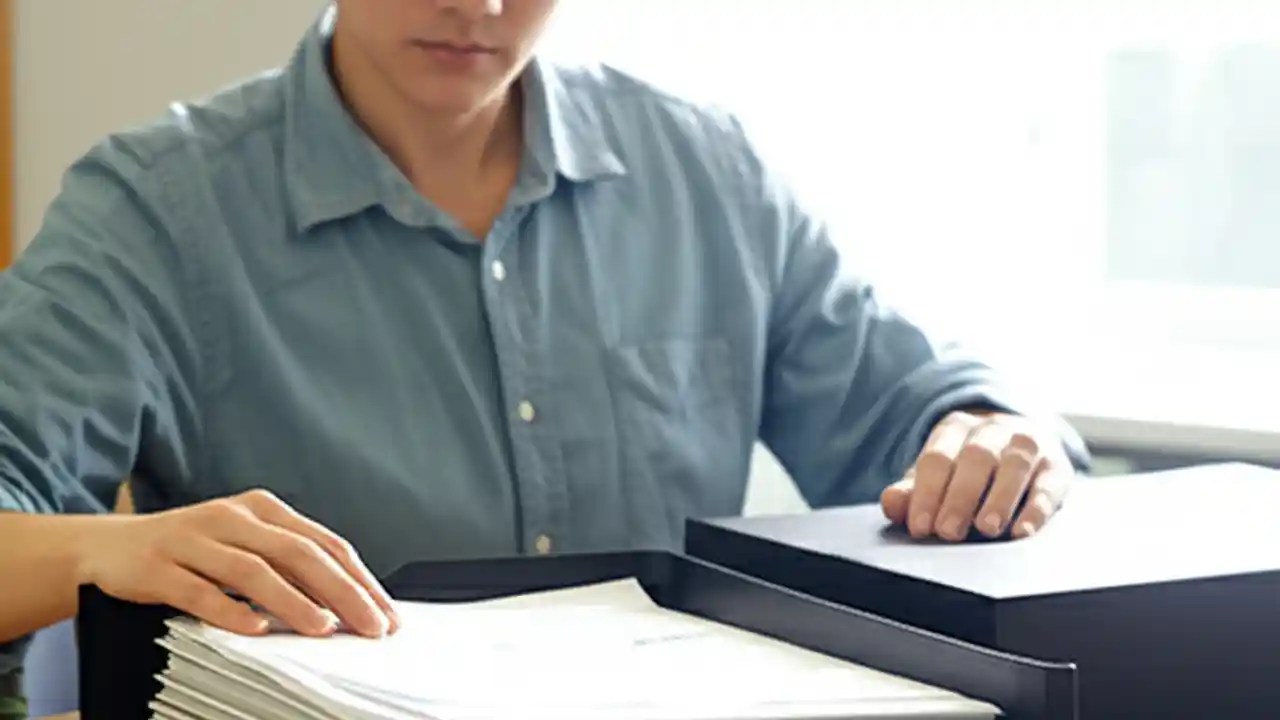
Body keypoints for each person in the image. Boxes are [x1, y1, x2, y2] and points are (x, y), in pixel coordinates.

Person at [0, 0, 1087, 689]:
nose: (476, 5)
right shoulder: (156, 209)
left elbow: (927, 415)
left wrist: (997, 442)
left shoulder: (704, 172)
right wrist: (105, 549)